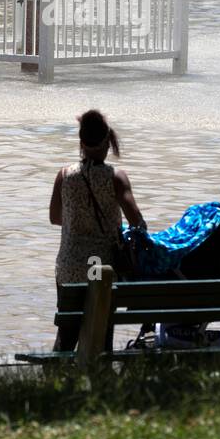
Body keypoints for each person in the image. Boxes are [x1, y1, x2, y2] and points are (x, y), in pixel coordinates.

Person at [48, 109, 148, 351]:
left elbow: (54, 218)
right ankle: (99, 380)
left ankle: (55, 379)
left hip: (69, 267)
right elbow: (137, 222)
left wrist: (78, 223)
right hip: (103, 270)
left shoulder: (64, 175)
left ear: (81, 143)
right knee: (102, 334)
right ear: (107, 142)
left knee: (67, 333)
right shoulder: (116, 177)